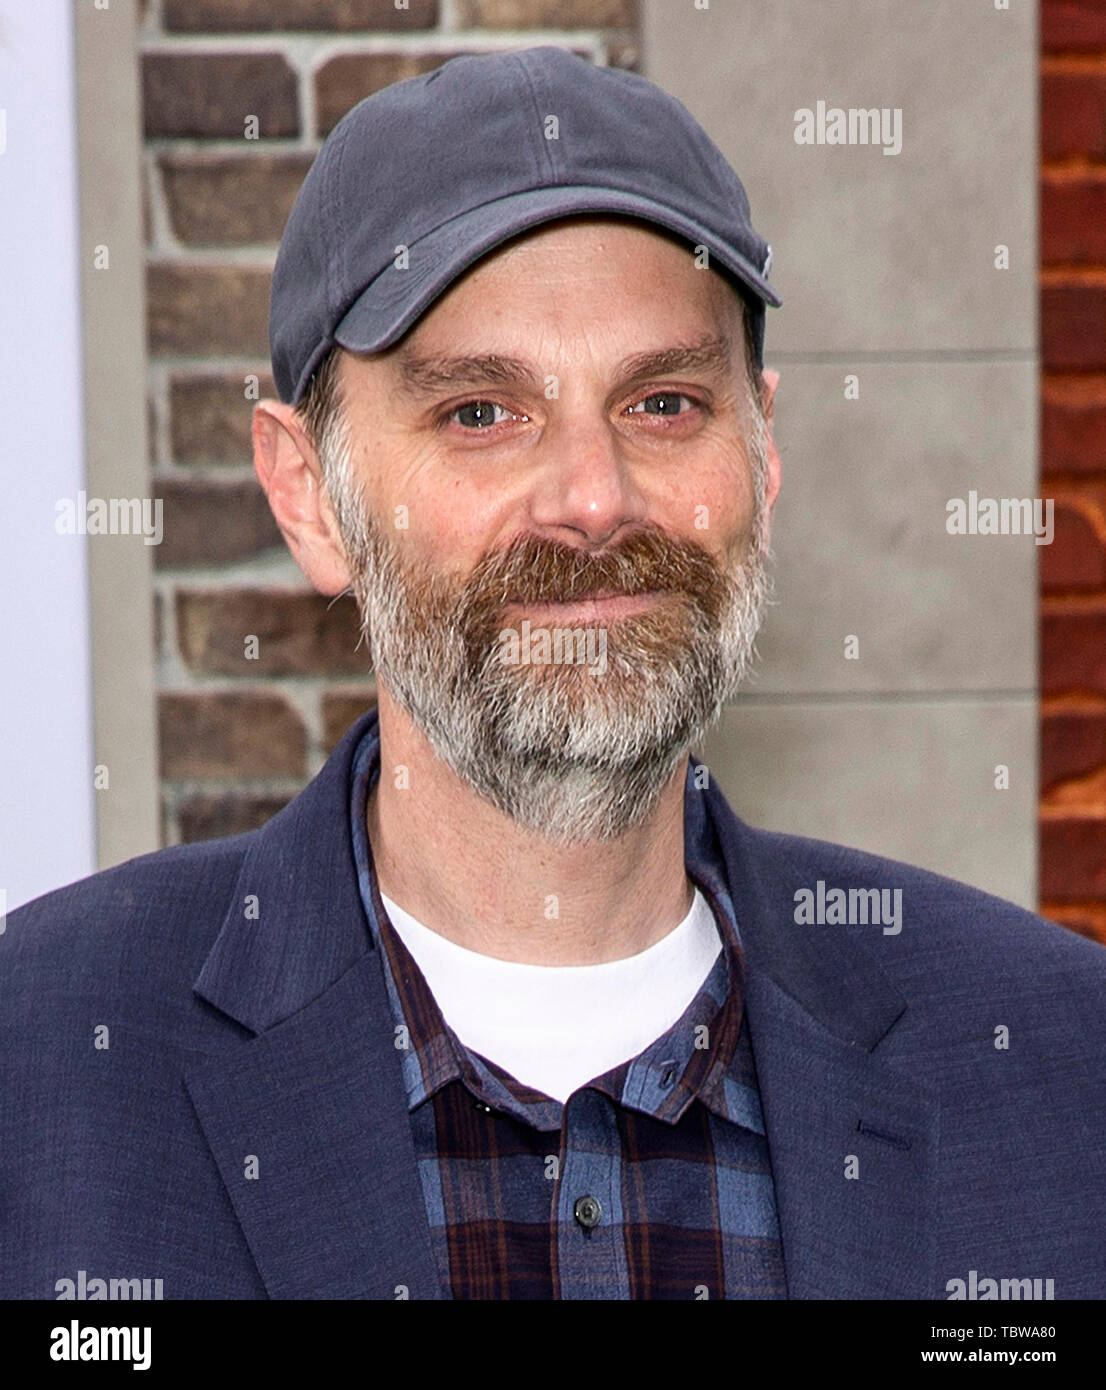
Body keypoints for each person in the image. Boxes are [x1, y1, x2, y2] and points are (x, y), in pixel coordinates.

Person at [4, 47, 1104, 1302]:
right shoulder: (44, 1065)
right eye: (481, 412)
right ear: (308, 496)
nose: (591, 496)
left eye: (665, 403)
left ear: (761, 457)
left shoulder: (1058, 1065)